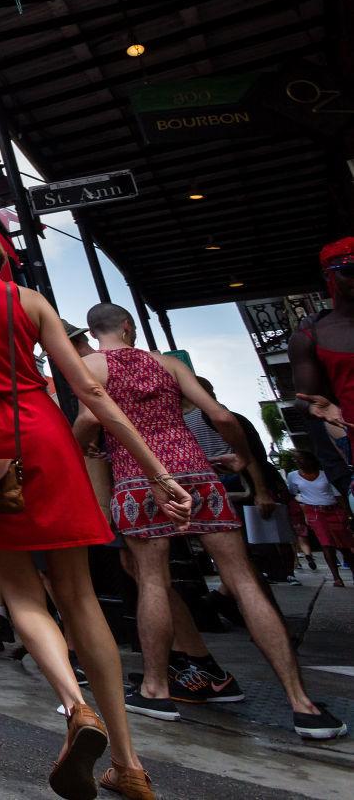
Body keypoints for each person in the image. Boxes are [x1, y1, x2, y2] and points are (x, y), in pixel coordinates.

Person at [0, 210, 193, 800]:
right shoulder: (29, 300)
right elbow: (90, 391)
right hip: (39, 435)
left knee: (21, 592)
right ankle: (128, 763)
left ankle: (75, 707)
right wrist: (156, 469)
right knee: (80, 596)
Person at [83, 302, 345, 741]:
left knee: (152, 581)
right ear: (128, 326)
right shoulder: (167, 365)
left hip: (139, 480)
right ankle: (302, 703)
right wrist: (242, 457)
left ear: (95, 334)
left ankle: (155, 688)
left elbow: (89, 418)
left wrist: (88, 448)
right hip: (198, 474)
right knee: (242, 579)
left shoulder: (92, 365)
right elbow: (221, 416)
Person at [287, 238, 354, 497]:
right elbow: (304, 399)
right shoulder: (310, 336)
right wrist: (318, 407)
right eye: (350, 271)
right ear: (330, 276)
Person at [287, 450, 353, 587]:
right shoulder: (293, 476)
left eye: (302, 460)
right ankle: (336, 578)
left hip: (333, 509)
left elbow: (338, 495)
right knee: (326, 544)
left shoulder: (324, 474)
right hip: (314, 512)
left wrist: (346, 513)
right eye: (297, 460)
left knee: (345, 546)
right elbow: (292, 493)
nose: (299, 463)